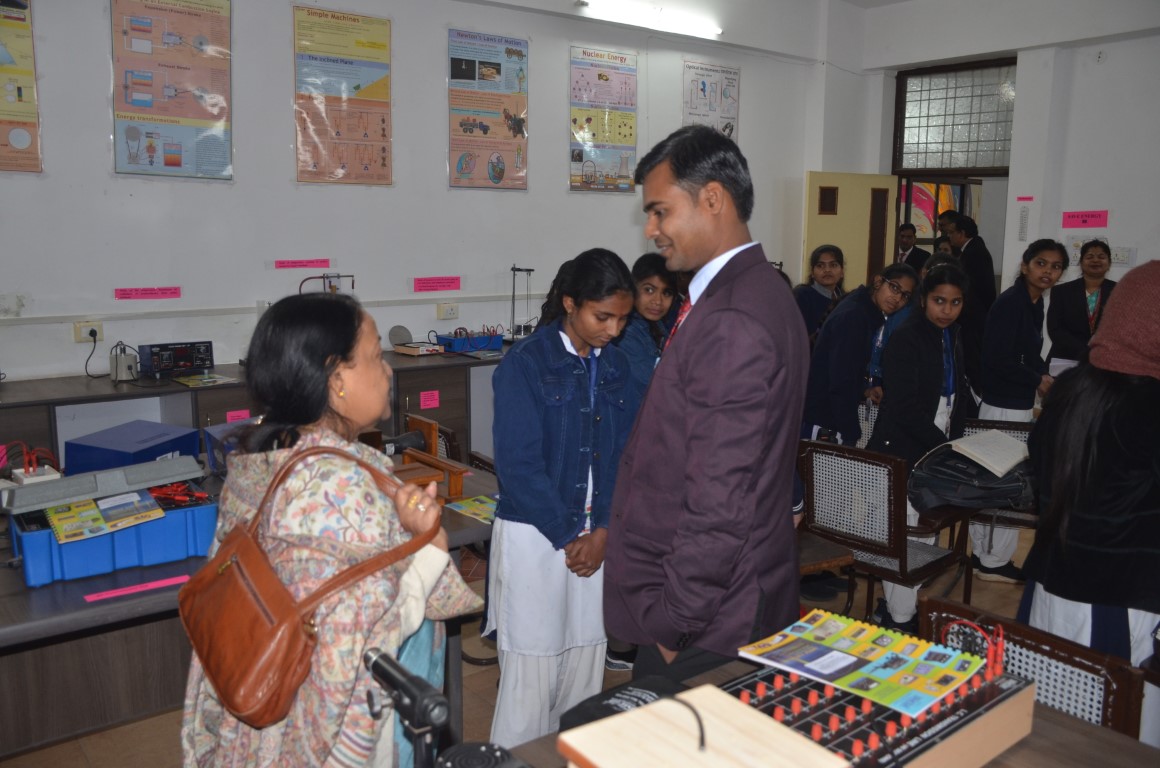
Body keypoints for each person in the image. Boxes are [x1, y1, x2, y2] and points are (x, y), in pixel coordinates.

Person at [183, 293, 481, 767]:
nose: (387, 370)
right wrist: (428, 549)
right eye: (375, 355)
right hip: (335, 731)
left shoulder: (262, 459)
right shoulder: (337, 482)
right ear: (337, 377)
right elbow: (353, 638)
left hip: (262, 697)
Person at [603, 125, 809, 683]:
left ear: (712, 198)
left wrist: (676, 624)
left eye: (659, 212)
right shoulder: (749, 293)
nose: (651, 230)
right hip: (721, 601)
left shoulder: (734, 318)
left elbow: (721, 494)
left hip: (709, 616)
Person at [486, 248, 642, 747]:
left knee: (585, 660)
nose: (614, 330)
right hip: (538, 534)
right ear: (570, 303)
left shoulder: (616, 366)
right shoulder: (526, 364)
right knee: (531, 674)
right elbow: (518, 467)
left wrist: (603, 534)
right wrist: (572, 535)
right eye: (603, 316)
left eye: (622, 318)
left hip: (595, 537)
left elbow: (624, 455)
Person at [1021, 261, 1160, 747]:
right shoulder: (1149, 403)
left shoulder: (1073, 389)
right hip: (1120, 598)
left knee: (1053, 722)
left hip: (1054, 579)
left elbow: (1040, 473)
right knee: (1117, 739)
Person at [867, 263, 972, 632]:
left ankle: (900, 606)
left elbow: (956, 391)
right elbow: (903, 407)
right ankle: (899, 617)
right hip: (905, 444)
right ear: (925, 300)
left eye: (955, 302)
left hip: (935, 439)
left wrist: (956, 440)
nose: (947, 310)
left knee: (922, 531)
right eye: (939, 301)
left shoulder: (953, 334)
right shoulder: (908, 334)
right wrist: (943, 447)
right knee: (903, 531)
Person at [973, 239, 1066, 583]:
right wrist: (1037, 379)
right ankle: (993, 561)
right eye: (1041, 263)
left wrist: (1044, 375)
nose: (1048, 272)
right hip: (1003, 403)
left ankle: (985, 555)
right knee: (1006, 482)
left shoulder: (1035, 302)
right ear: (1026, 265)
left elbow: (1028, 353)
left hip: (1018, 400)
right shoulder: (1010, 303)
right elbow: (997, 359)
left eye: (1055, 267)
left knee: (995, 479)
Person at [802, 263, 918, 445]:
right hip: (824, 418)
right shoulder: (855, 316)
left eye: (905, 296)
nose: (897, 298)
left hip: (826, 413)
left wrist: (865, 389)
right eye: (894, 287)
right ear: (879, 281)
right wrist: (850, 431)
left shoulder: (863, 308)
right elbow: (841, 382)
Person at [945, 213, 995, 395]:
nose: (949, 237)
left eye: (951, 233)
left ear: (962, 233)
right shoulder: (972, 250)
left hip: (974, 318)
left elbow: (973, 290)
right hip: (974, 317)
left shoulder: (975, 252)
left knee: (973, 362)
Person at [614, 252, 678, 392]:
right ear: (633, 288)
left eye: (666, 293)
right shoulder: (626, 332)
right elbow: (657, 386)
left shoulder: (658, 326)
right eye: (649, 290)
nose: (658, 301)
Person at [1047, 238, 1117, 362]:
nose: (1095, 260)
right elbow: (1055, 329)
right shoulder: (1061, 291)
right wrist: (1085, 351)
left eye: (1101, 257)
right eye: (1089, 256)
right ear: (1081, 262)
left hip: (1106, 359)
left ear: (1109, 263)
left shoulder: (1121, 291)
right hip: (1066, 358)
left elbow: (1125, 329)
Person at [793, 244, 846, 346]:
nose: (827, 270)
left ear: (842, 271)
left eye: (833, 265)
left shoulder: (844, 299)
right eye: (820, 266)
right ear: (812, 272)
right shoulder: (801, 295)